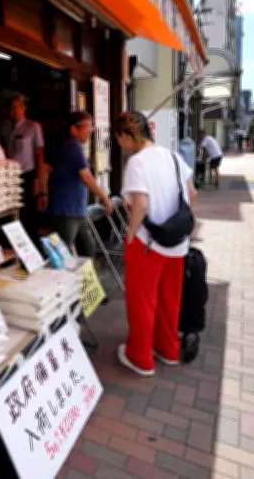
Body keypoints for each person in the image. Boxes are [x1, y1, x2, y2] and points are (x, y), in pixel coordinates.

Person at [116, 112, 196, 377]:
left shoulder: (137, 163)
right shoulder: (173, 156)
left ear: (127, 136)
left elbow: (140, 204)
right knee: (169, 299)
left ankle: (140, 357)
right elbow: (191, 193)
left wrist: (129, 236)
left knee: (142, 300)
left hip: (147, 243)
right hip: (178, 241)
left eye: (120, 139)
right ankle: (168, 350)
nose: (120, 145)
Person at [47, 112, 112, 257]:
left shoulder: (74, 146)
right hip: (67, 210)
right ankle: (69, 279)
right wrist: (104, 197)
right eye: (87, 126)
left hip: (77, 209)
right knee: (67, 250)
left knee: (87, 245)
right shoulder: (72, 146)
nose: (91, 130)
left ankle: (86, 278)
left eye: (91, 126)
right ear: (73, 129)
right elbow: (86, 177)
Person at [8, 95, 46, 243]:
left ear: (24, 108)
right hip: (11, 178)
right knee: (15, 216)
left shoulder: (33, 126)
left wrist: (39, 180)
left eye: (18, 106)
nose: (15, 110)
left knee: (29, 217)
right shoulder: (9, 128)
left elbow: (40, 154)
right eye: (12, 107)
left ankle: (34, 251)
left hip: (28, 175)